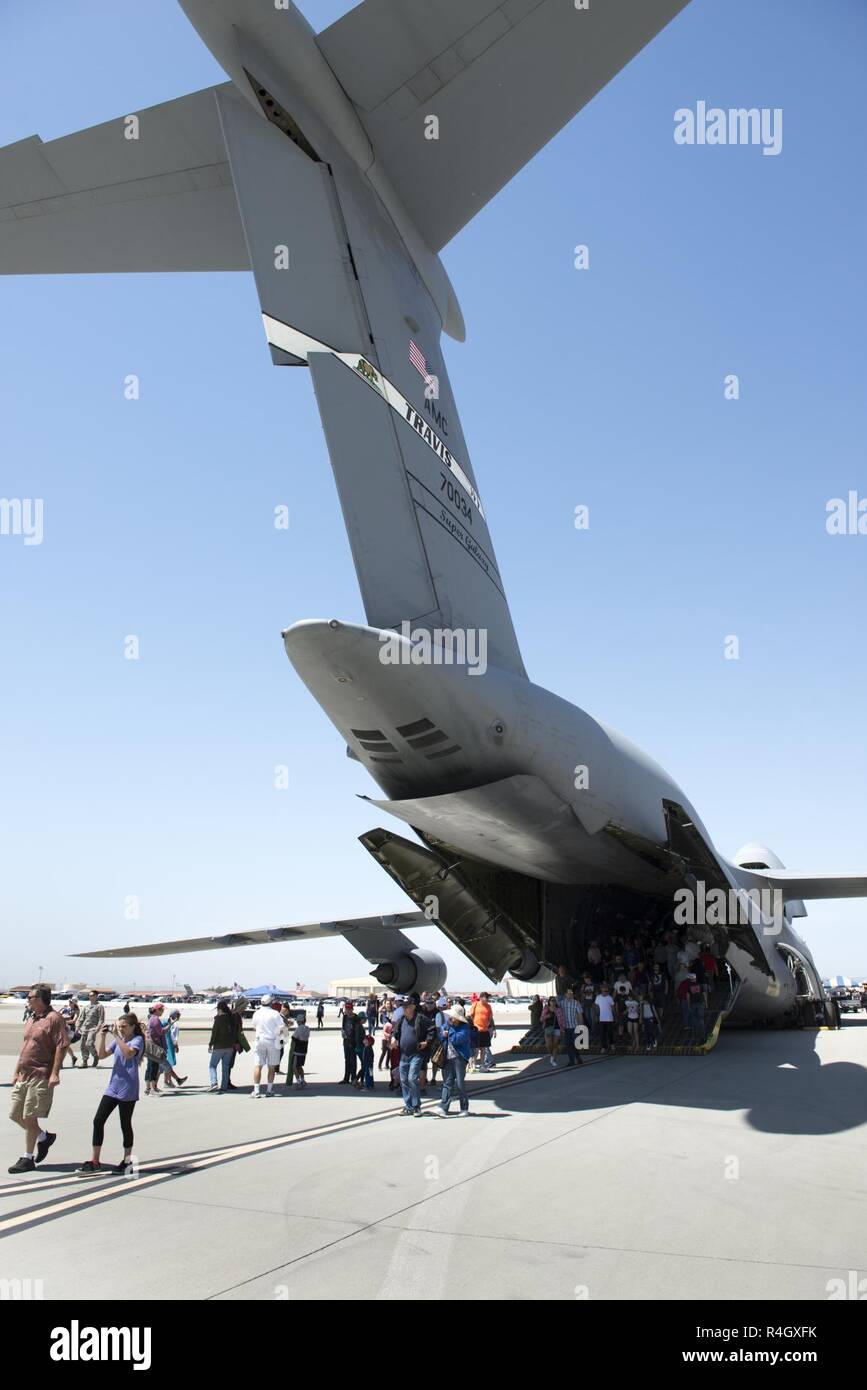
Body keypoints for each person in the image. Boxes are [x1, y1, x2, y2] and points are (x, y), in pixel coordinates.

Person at [8, 986, 67, 1173]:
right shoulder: (32, 1018)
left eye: (30, 997)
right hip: (24, 1073)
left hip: (41, 1074)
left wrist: (55, 1073)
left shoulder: (54, 1019)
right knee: (15, 1114)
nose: (27, 999)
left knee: (29, 1116)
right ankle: (43, 1138)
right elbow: (26, 1046)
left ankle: (28, 1157)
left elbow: (62, 1045)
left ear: (40, 999)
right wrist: (16, 1070)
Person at [76, 1015, 145, 1176]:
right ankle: (95, 1161)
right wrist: (103, 1037)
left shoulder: (137, 1040)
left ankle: (127, 1161)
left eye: (124, 1026)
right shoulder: (118, 1040)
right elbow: (101, 1055)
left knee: (125, 1124)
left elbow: (128, 1054)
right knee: (98, 1120)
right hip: (113, 1086)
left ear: (133, 1027)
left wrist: (115, 1035)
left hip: (128, 1088)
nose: (121, 1029)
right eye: (119, 1026)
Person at [432, 1004, 473, 1116]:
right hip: (448, 1057)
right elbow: (440, 1035)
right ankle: (443, 1107)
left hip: (459, 1058)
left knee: (460, 1084)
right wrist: (444, 1033)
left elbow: (457, 1039)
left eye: (453, 1017)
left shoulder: (464, 1027)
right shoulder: (448, 1024)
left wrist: (448, 1032)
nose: (450, 1018)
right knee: (447, 1083)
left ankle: (464, 1108)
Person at [396, 996, 433, 1115]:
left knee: (412, 1078)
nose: (404, 1009)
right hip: (404, 1055)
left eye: (407, 1006)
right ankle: (408, 1106)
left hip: (416, 1054)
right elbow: (395, 1032)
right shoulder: (402, 1019)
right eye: (403, 1007)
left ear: (412, 1007)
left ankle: (416, 1106)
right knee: (404, 1080)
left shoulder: (420, 1018)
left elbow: (432, 1029)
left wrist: (426, 1042)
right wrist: (393, 1039)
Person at [251, 994, 286, 1097]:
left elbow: (254, 1026)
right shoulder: (275, 1014)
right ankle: (269, 1090)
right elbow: (282, 1028)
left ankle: (256, 1090)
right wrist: (282, 1042)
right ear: (271, 1003)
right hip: (272, 1041)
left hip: (259, 1041)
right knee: (271, 1067)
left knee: (258, 1065)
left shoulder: (257, 1013)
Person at [208, 1000, 241, 1092]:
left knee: (212, 1065)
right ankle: (224, 1086)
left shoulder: (218, 1019)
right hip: (229, 1047)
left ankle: (214, 1083)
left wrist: (210, 1044)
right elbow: (235, 1032)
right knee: (225, 1066)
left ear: (219, 1009)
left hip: (219, 1046)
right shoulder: (231, 1018)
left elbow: (214, 1033)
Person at [158, 1007, 187, 1089]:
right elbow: (173, 1036)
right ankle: (167, 1081)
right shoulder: (174, 1024)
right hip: (169, 1045)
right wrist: (175, 1045)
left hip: (165, 1044)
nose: (179, 1016)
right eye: (178, 1014)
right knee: (167, 1064)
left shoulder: (166, 1021)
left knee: (166, 1064)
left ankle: (170, 1081)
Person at [143, 1005, 167, 1096]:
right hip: (154, 1047)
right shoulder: (155, 1019)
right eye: (161, 1010)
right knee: (153, 1067)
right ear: (157, 1010)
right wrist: (170, 1025)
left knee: (150, 1067)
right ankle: (152, 1089)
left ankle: (148, 1088)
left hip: (150, 1046)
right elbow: (161, 1032)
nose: (162, 1011)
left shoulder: (151, 1018)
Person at [77, 991, 105, 1069]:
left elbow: (101, 1019)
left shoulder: (99, 1006)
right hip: (85, 1028)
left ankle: (95, 1056)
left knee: (89, 1043)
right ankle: (84, 1061)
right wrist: (78, 1026)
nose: (90, 997)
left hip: (93, 1028)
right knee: (83, 1044)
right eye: (89, 995)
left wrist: (98, 1028)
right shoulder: (86, 1007)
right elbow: (82, 1017)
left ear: (96, 996)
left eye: (92, 995)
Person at [558, 989, 584, 1067]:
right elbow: (558, 1013)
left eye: (571, 993)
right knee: (568, 1044)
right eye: (568, 993)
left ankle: (578, 1058)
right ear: (565, 994)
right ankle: (571, 1061)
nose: (570, 994)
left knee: (573, 1044)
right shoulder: (561, 1003)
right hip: (566, 1027)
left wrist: (581, 1026)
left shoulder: (576, 1003)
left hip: (574, 1027)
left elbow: (580, 1015)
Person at [469, 992, 494, 1071]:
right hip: (477, 1030)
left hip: (485, 1030)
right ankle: (473, 1064)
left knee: (483, 1048)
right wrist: (474, 1025)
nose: (487, 1000)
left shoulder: (488, 1006)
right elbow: (470, 1016)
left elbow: (490, 1017)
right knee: (476, 1048)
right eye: (486, 998)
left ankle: (482, 1065)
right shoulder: (475, 1005)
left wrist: (488, 1024)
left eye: (488, 998)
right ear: (481, 997)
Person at [340, 1001, 358, 1085]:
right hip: (346, 1041)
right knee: (347, 1059)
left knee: (353, 1060)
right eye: (346, 1009)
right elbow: (343, 1027)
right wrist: (343, 1034)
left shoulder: (356, 1017)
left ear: (352, 1009)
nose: (348, 1011)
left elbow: (357, 1030)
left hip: (353, 1041)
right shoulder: (345, 1017)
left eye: (349, 1009)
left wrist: (353, 1040)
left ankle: (353, 1078)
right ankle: (346, 1078)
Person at [594, 983, 615, 1054]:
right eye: (604, 991)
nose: (606, 992)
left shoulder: (610, 998)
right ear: (601, 990)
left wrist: (615, 1016)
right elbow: (597, 1008)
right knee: (602, 1033)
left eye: (607, 991)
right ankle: (604, 1047)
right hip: (601, 1018)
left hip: (609, 1018)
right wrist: (597, 1016)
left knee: (610, 1032)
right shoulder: (598, 997)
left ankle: (612, 1044)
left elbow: (613, 1008)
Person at [292, 1013, 310, 1088]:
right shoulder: (307, 1028)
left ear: (299, 1021)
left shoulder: (298, 1028)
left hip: (298, 1050)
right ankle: (302, 1080)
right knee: (300, 1066)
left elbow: (294, 1037)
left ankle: (298, 1081)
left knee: (295, 1067)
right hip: (304, 1049)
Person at [541, 996, 560, 1066]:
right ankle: (551, 1055)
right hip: (548, 1028)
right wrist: (547, 1016)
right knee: (549, 1045)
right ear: (549, 1002)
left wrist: (562, 1029)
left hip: (557, 1028)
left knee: (555, 1044)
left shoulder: (558, 1010)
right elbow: (541, 1019)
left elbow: (562, 1020)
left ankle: (553, 1059)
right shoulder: (546, 1009)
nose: (553, 1002)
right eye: (552, 1000)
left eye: (554, 1000)